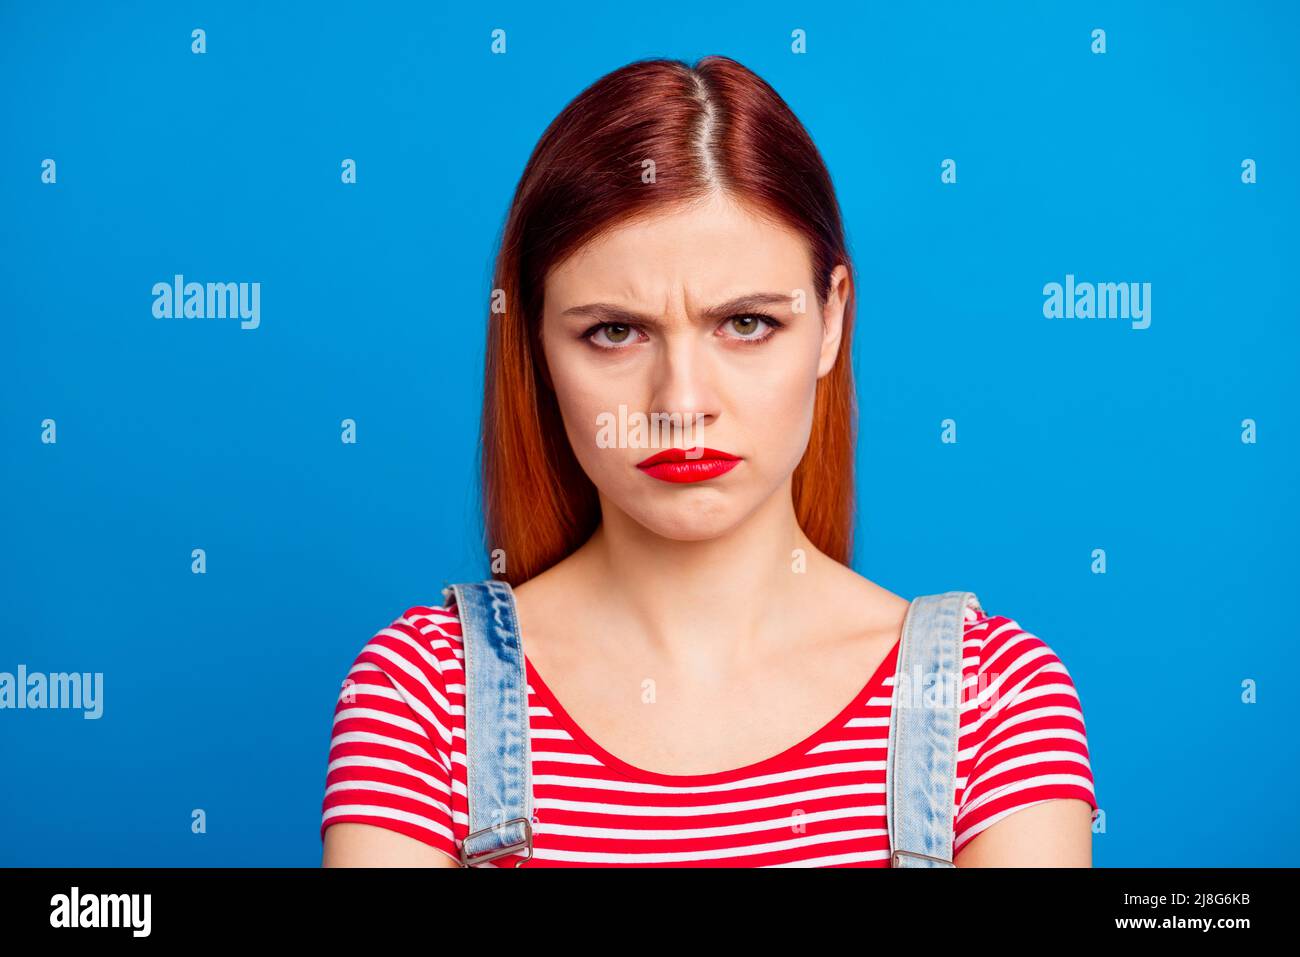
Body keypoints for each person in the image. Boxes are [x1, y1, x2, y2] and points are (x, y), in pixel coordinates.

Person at [320, 54, 1097, 867]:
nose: (681, 403)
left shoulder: (994, 701)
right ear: (535, 344)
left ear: (832, 320)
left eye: (748, 323)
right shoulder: (422, 696)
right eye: (615, 331)